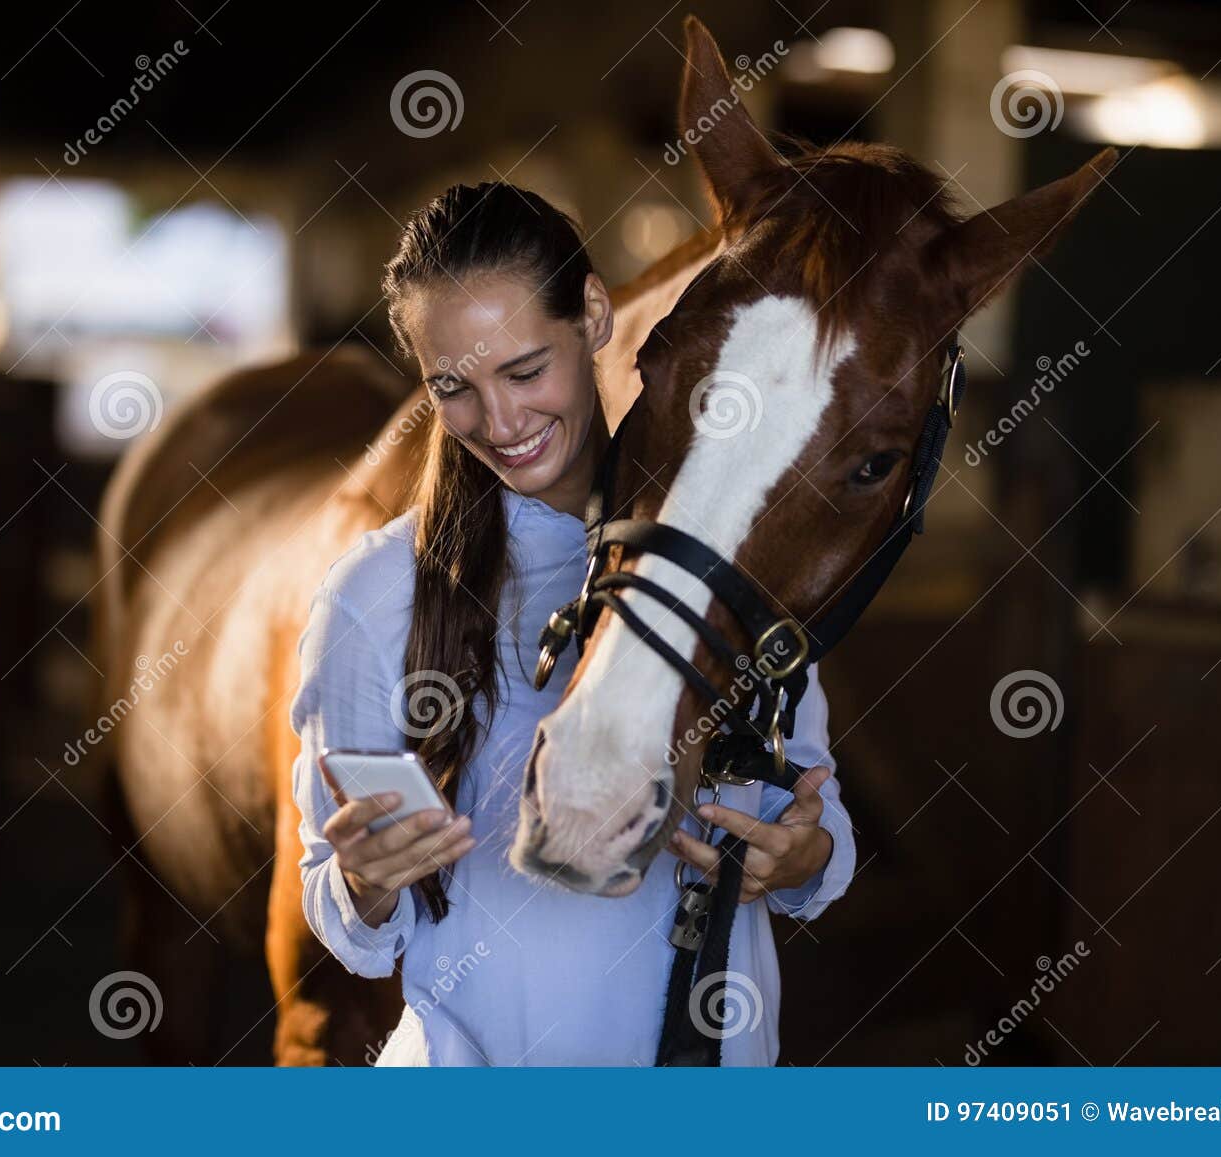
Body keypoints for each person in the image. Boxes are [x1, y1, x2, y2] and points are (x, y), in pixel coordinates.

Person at [289, 181, 856, 1065]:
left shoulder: (732, 554)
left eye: (524, 371)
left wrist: (805, 855)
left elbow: (813, 805)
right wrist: (363, 880)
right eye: (455, 387)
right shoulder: (376, 595)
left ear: (593, 314)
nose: (503, 421)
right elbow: (339, 915)